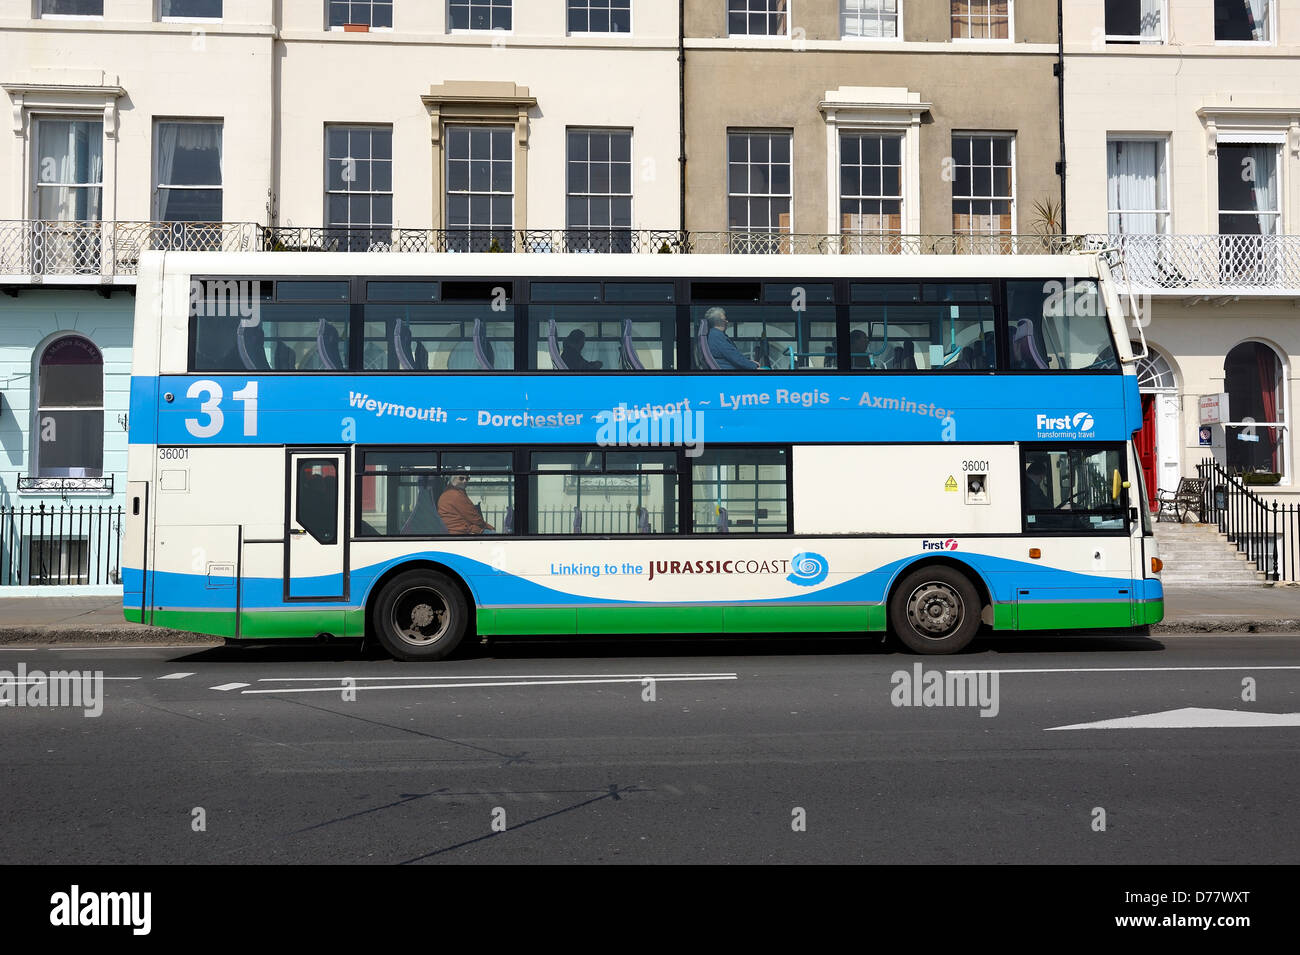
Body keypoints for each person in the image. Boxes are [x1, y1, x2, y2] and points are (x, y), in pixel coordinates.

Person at [438, 470, 495, 535]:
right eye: (461, 478)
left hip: (459, 529)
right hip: (461, 531)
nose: (465, 481)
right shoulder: (455, 495)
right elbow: (474, 517)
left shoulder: (450, 492)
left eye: (467, 479)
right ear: (453, 479)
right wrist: (490, 527)